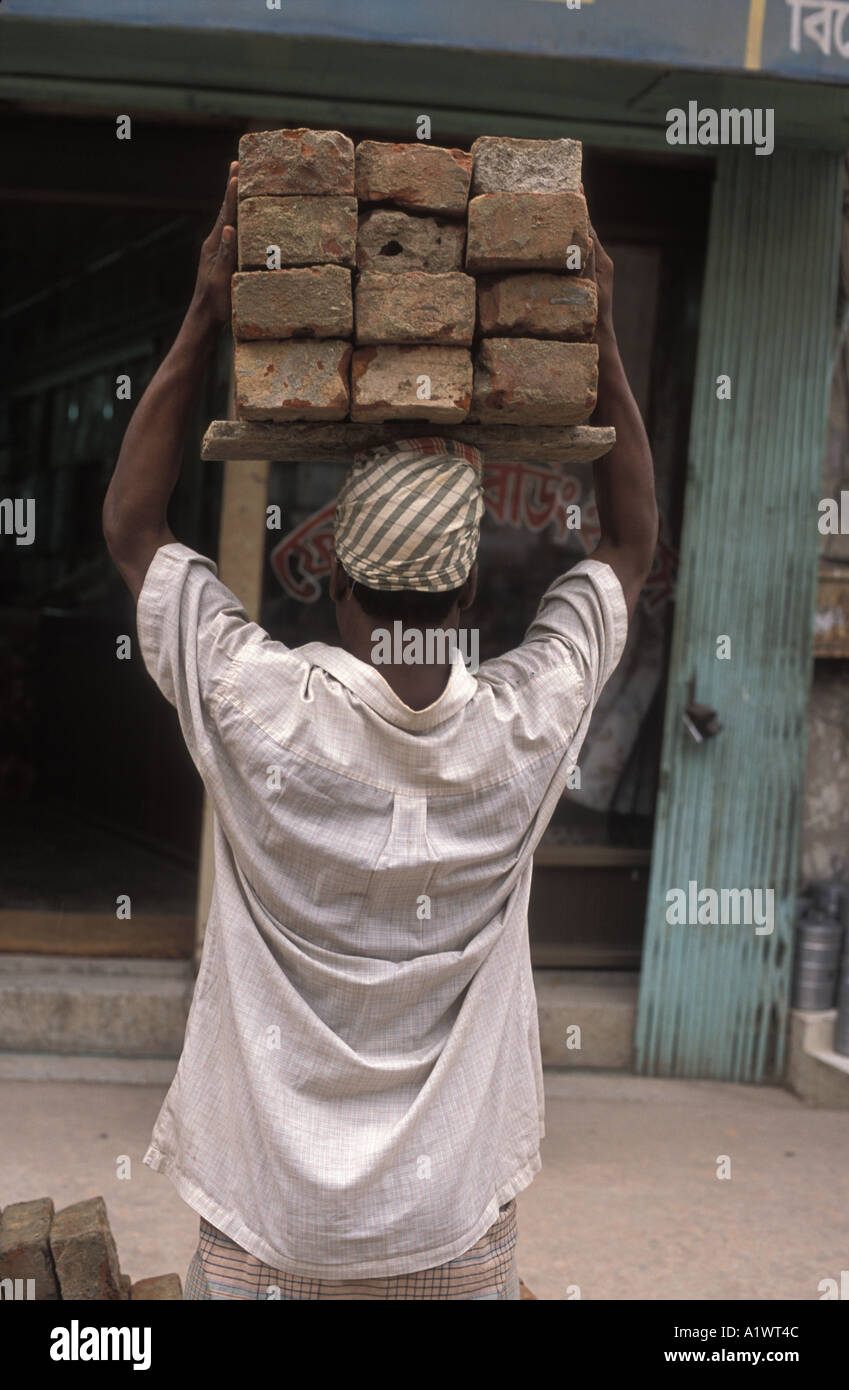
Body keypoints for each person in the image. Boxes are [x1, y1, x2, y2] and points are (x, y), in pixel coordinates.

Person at [102, 160, 658, 1300]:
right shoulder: (524, 726)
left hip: (266, 1239)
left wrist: (208, 310)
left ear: (338, 588)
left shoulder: (259, 708)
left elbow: (132, 527)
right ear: (470, 604)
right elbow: (630, 548)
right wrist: (598, 328)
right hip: (454, 1244)